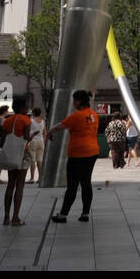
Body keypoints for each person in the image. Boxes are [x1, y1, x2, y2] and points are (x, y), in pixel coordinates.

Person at [47, 90, 101, 223]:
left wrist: (50, 131)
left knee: (72, 185)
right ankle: (85, 214)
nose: (73, 103)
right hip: (92, 151)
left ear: (78, 101)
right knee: (86, 182)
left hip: (78, 154)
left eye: (74, 101)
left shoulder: (76, 116)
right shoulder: (94, 114)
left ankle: (63, 215)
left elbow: (60, 126)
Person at [0, 97, 31, 226]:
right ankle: (15, 217)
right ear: (22, 108)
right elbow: (26, 138)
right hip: (22, 154)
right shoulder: (26, 120)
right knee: (20, 186)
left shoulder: (7, 120)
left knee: (10, 184)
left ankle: (6, 217)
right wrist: (33, 136)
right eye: (26, 106)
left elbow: (2, 140)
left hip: (10, 154)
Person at [26, 107, 46, 183]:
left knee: (32, 160)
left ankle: (32, 178)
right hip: (41, 142)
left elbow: (28, 132)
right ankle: (40, 178)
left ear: (33, 113)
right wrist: (43, 141)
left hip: (33, 141)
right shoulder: (43, 122)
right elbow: (45, 133)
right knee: (40, 160)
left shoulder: (30, 121)